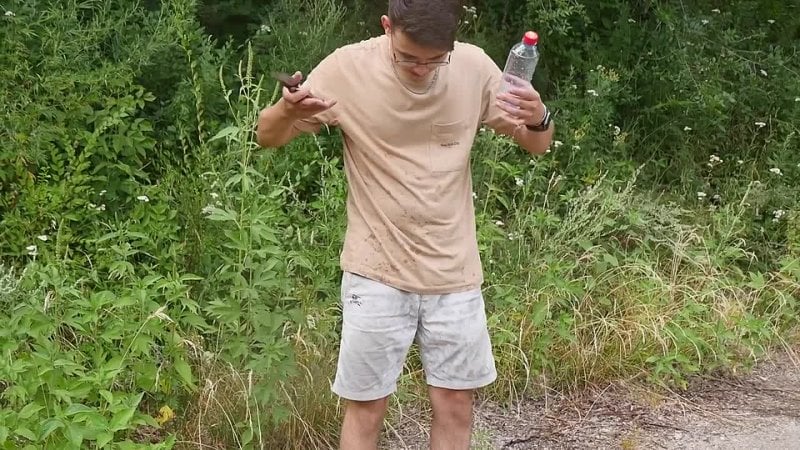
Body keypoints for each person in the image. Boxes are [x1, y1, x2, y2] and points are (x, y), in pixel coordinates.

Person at [256, 1, 554, 448]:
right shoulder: (347, 68)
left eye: (435, 60)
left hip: (454, 274)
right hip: (375, 271)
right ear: (387, 27)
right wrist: (288, 110)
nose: (421, 69)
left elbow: (536, 144)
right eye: (408, 57)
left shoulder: (473, 67)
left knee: (456, 404)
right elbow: (267, 136)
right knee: (366, 406)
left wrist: (539, 117)